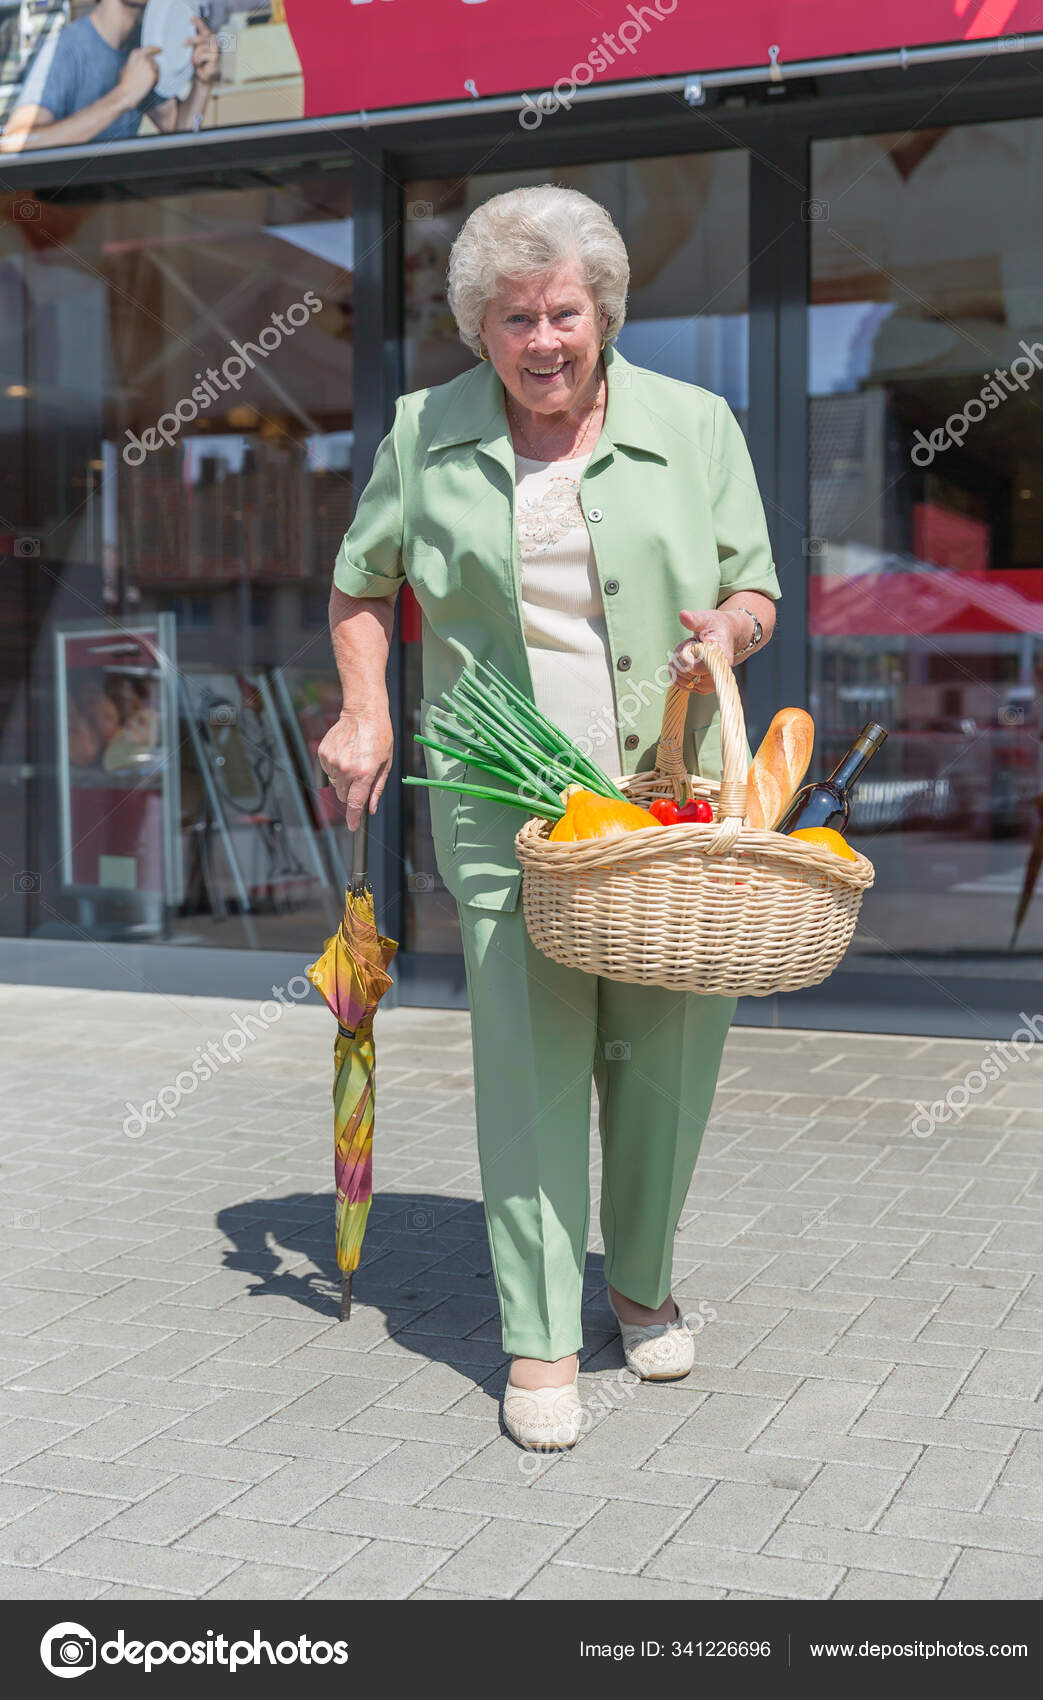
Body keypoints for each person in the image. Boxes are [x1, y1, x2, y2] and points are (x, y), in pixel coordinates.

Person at [318, 184, 781, 1450]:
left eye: (563, 312)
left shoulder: (694, 425)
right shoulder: (424, 436)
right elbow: (359, 588)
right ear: (478, 327)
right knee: (528, 1069)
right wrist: (364, 710)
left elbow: (755, 588)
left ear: (604, 312)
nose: (542, 342)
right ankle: (537, 1334)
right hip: (501, 804)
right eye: (514, 317)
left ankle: (639, 1282)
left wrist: (724, 630)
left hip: (666, 801)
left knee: (664, 1058)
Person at [1, 0, 219, 153]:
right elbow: (14, 143)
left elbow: (179, 133)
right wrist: (122, 97)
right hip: (62, 209)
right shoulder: (67, 47)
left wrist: (202, 82)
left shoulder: (141, 46)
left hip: (112, 205)